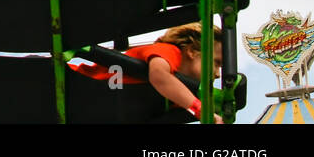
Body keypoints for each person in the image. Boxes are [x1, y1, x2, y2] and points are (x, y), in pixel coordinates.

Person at [71, 22, 224, 122]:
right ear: (192, 51)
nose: (218, 74)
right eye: (217, 63)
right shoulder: (169, 51)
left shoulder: (178, 100)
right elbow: (159, 76)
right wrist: (200, 109)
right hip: (73, 82)